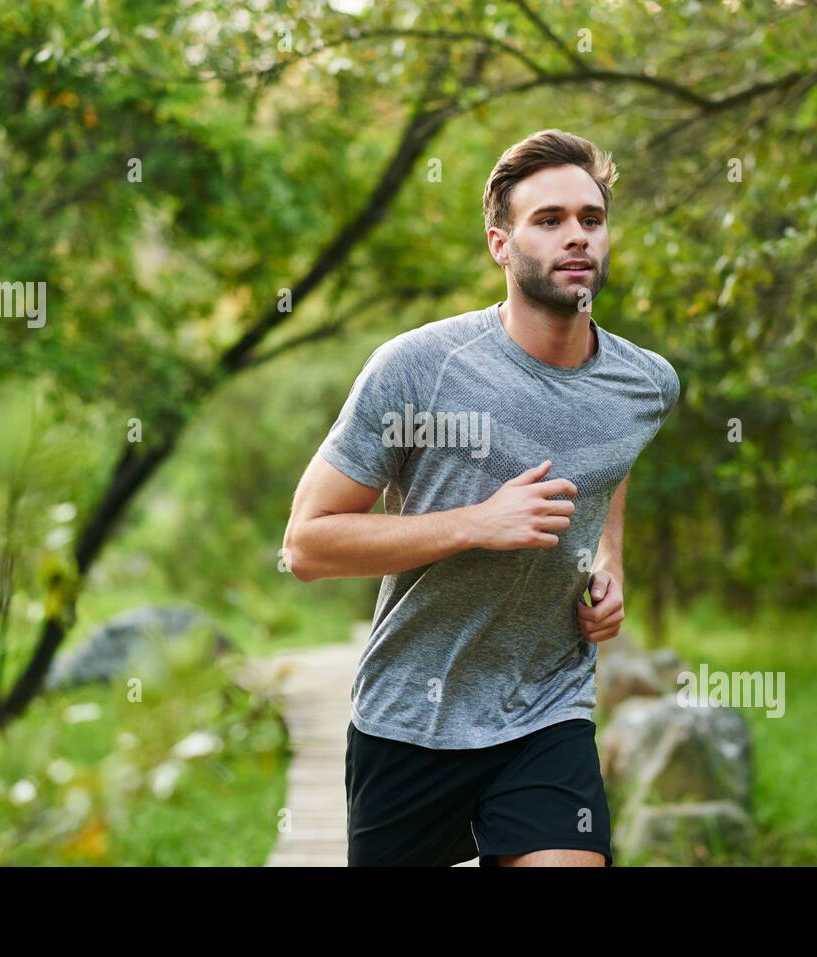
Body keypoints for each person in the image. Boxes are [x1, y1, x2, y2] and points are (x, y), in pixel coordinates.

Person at [282, 129, 680, 866]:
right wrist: (475, 522)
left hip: (545, 710)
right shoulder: (419, 369)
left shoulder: (645, 385)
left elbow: (612, 461)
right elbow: (306, 544)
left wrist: (608, 561)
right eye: (549, 220)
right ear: (501, 244)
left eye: (591, 220)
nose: (577, 238)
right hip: (410, 718)